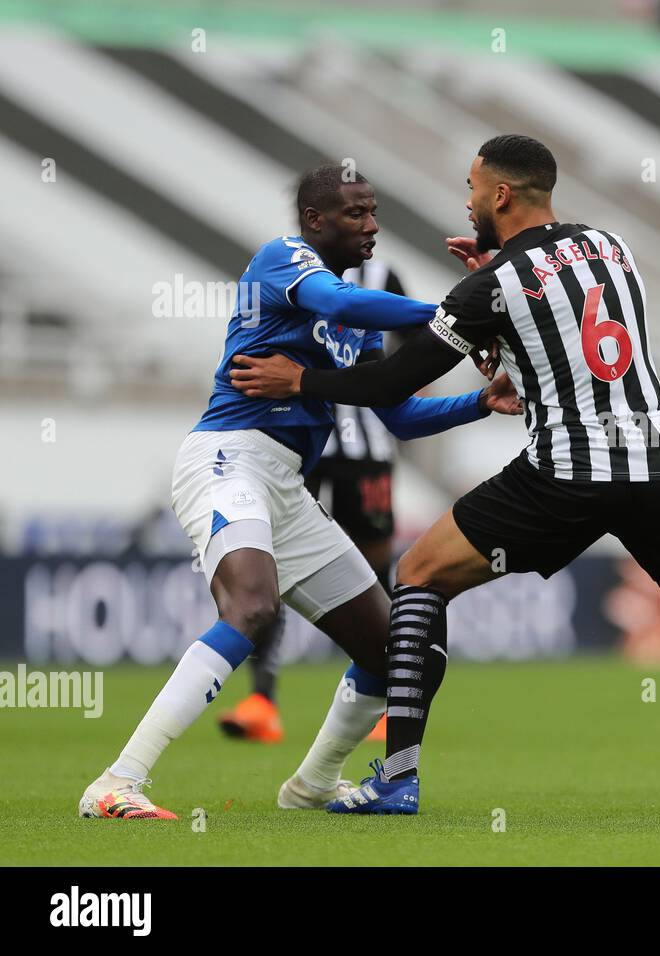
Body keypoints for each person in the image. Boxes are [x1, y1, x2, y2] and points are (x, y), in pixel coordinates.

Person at [230, 136, 660, 816]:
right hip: (657, 471)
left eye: (472, 188)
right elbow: (557, 312)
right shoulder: (613, 247)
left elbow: (391, 381)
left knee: (417, 577)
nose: (466, 202)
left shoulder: (488, 287)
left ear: (499, 194)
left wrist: (302, 377)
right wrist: (489, 281)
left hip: (564, 473)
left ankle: (398, 778)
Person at [78, 165, 520, 820]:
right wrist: (452, 313)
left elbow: (395, 415)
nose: (371, 226)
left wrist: (479, 403)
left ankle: (312, 785)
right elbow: (339, 305)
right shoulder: (283, 259)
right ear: (315, 220)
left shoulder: (360, 326)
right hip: (227, 459)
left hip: (282, 484)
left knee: (392, 650)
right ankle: (116, 782)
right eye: (354, 214)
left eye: (373, 212)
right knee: (251, 609)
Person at [216, 260, 412, 746]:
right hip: (302, 442)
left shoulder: (384, 276)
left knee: (374, 570)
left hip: (367, 449)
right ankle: (262, 701)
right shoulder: (289, 272)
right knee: (270, 567)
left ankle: (388, 700)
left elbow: (415, 338)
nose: (364, 226)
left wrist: (397, 386)